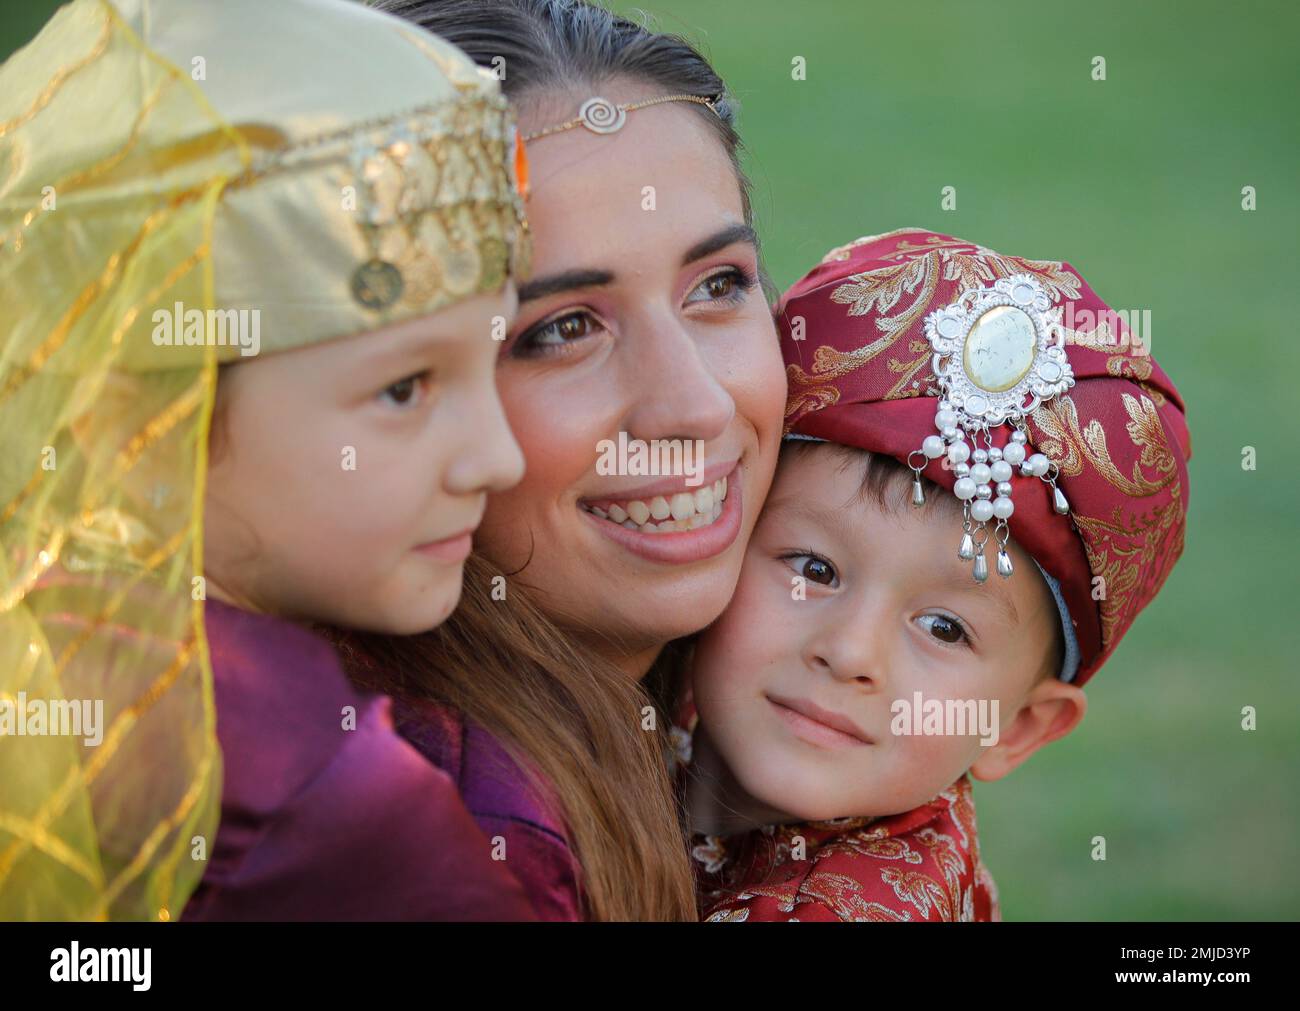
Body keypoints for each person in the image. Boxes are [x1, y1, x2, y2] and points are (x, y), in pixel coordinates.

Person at [0, 0, 534, 920]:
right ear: (131, 416)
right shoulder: (327, 808)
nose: (500, 456)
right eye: (405, 388)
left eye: (496, 354)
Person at [345, 0, 789, 920]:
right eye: (563, 329)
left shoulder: (754, 701)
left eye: (718, 285)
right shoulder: (458, 845)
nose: (696, 404)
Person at [673, 228, 1191, 921]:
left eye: (945, 628)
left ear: (1020, 726)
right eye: (815, 568)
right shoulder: (627, 675)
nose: (850, 651)